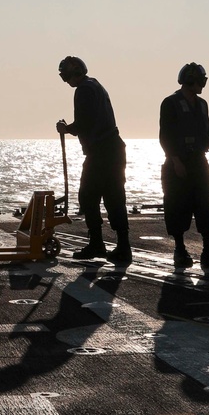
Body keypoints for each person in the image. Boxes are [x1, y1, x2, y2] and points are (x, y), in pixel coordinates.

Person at [56, 56, 131, 264]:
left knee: (90, 196)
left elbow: (84, 123)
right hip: (111, 149)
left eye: (66, 77)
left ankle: (102, 244)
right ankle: (119, 245)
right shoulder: (95, 85)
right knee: (113, 196)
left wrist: (66, 128)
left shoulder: (84, 90)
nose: (66, 82)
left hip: (102, 152)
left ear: (73, 73)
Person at [159, 63, 209, 270]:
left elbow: (206, 129)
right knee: (176, 206)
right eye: (201, 81)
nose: (203, 85)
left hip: (199, 161)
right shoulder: (170, 103)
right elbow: (165, 136)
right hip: (177, 162)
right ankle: (180, 250)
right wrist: (175, 160)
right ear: (191, 81)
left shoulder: (202, 104)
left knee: (206, 205)